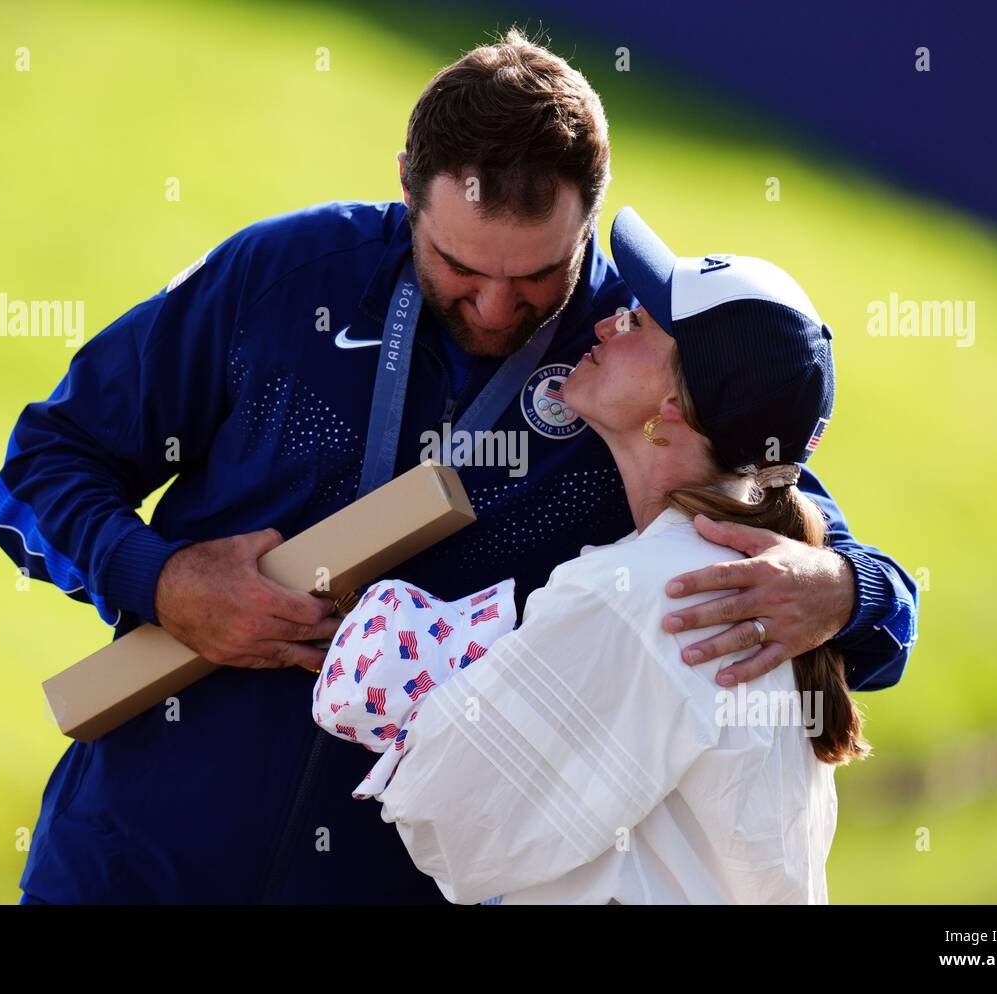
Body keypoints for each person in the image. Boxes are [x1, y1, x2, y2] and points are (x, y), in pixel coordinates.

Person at [0, 31, 916, 904]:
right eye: (461, 267)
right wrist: (155, 579)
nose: (494, 307)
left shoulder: (637, 355)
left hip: (398, 881)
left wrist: (848, 590)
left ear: (589, 218)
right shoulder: (285, 276)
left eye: (537, 277)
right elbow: (43, 465)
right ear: (406, 185)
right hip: (130, 860)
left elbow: (794, 534)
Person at [366, 208, 866, 903]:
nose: (606, 324)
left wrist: (411, 671)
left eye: (639, 324)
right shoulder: (746, 585)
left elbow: (445, 823)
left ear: (675, 406)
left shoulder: (640, 593)